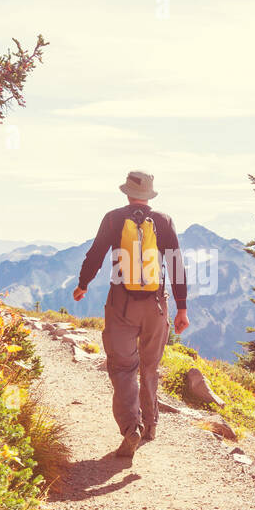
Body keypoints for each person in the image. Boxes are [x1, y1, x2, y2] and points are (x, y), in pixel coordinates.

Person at [73, 171, 189, 459]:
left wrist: (82, 284)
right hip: (156, 304)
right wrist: (182, 307)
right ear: (150, 194)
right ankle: (149, 426)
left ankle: (130, 427)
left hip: (121, 303)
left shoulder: (113, 219)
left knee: (124, 368)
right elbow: (175, 263)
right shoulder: (163, 221)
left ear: (126, 192)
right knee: (150, 366)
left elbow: (96, 254)